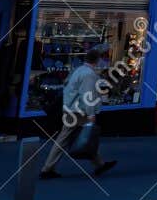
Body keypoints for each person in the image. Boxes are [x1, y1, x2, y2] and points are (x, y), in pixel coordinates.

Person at [41, 44, 117, 178]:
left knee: (74, 138)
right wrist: (91, 114)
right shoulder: (89, 75)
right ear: (97, 60)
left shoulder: (79, 70)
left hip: (70, 108)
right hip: (79, 111)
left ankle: (99, 164)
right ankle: (47, 169)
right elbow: (87, 95)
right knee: (84, 137)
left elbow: (66, 83)